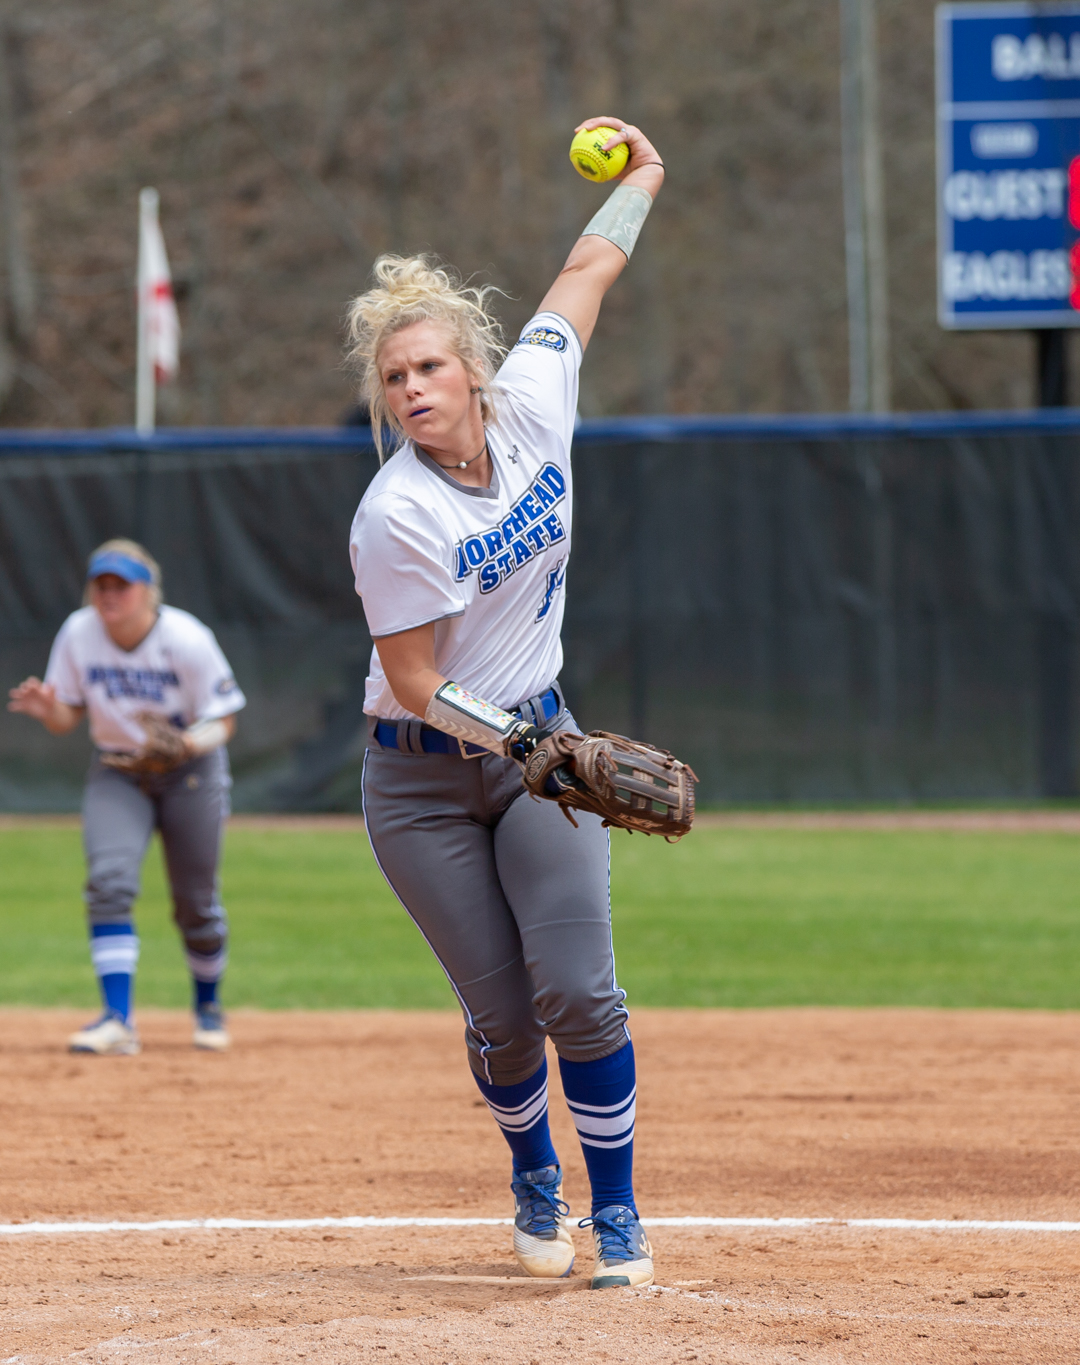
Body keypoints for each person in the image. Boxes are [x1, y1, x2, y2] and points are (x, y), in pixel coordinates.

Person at [345, 116, 664, 1289]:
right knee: (503, 1018)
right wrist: (528, 742)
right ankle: (535, 1170)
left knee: (578, 990)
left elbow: (584, 274)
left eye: (428, 366)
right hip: (423, 778)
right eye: (393, 378)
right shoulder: (396, 517)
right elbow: (421, 684)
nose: (413, 386)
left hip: (542, 745)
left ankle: (618, 1215)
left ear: (472, 372)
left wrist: (644, 179)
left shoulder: (533, 398)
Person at [7, 539, 247, 1056]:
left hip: (190, 772)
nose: (110, 594)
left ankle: (207, 1006)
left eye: (122, 585)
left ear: (147, 591)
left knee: (195, 903)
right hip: (118, 769)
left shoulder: (185, 638)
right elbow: (67, 718)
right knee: (109, 882)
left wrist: (185, 743)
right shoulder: (79, 632)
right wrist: (48, 709)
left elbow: (224, 719)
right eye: (102, 585)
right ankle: (118, 1019)